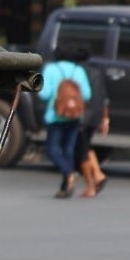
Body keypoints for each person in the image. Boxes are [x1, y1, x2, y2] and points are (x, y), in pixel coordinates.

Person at [41, 45, 92, 198]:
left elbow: (44, 93)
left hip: (56, 115)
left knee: (52, 149)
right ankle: (66, 185)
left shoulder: (51, 69)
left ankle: (69, 173)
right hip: (75, 116)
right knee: (68, 150)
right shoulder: (79, 70)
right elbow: (87, 95)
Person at [74, 59, 110, 198]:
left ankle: (90, 186)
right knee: (86, 146)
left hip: (83, 116)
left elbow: (83, 94)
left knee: (82, 152)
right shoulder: (96, 72)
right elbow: (104, 98)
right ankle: (98, 174)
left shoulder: (77, 71)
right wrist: (105, 118)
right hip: (96, 115)